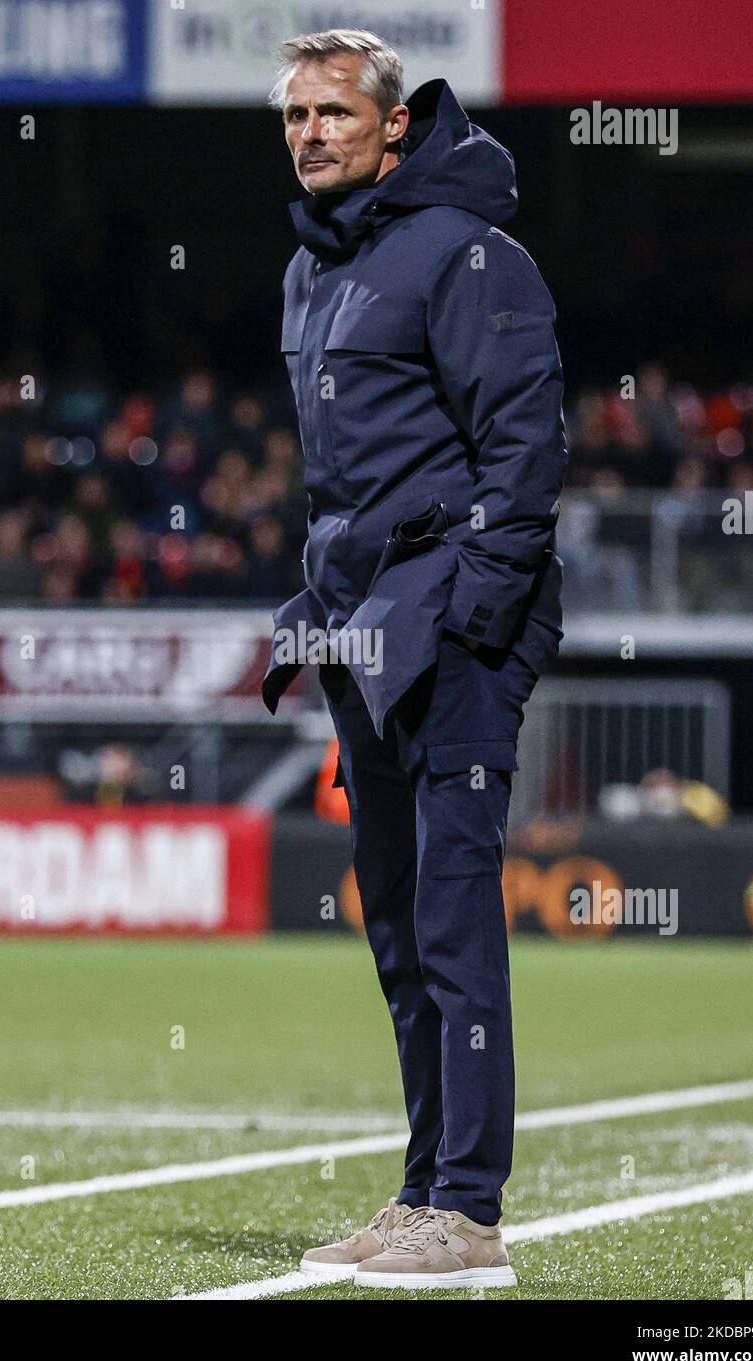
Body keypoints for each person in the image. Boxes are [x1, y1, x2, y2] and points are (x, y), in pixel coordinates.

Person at [262, 28, 567, 1290]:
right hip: (364, 630)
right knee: (395, 917)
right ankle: (425, 1184)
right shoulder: (311, 268)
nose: (310, 134)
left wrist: (476, 617)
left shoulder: (470, 252)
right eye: (293, 117)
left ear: (395, 125)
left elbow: (524, 450)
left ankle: (473, 1208)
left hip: (449, 628)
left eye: (334, 113)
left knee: (451, 910)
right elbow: (347, 478)